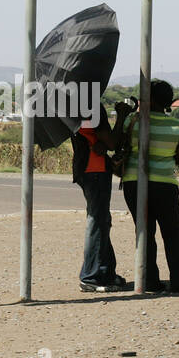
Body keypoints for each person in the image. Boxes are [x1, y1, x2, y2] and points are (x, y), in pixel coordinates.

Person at [117, 80, 179, 294]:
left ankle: (149, 280)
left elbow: (118, 143)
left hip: (134, 182)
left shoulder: (132, 121)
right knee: (172, 233)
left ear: (148, 99)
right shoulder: (177, 126)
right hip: (165, 185)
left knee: (145, 232)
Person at [72, 107, 125, 293]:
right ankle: (90, 276)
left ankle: (106, 272)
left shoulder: (73, 104)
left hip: (85, 167)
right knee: (97, 221)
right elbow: (110, 142)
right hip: (94, 169)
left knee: (102, 221)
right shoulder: (92, 106)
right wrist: (122, 116)